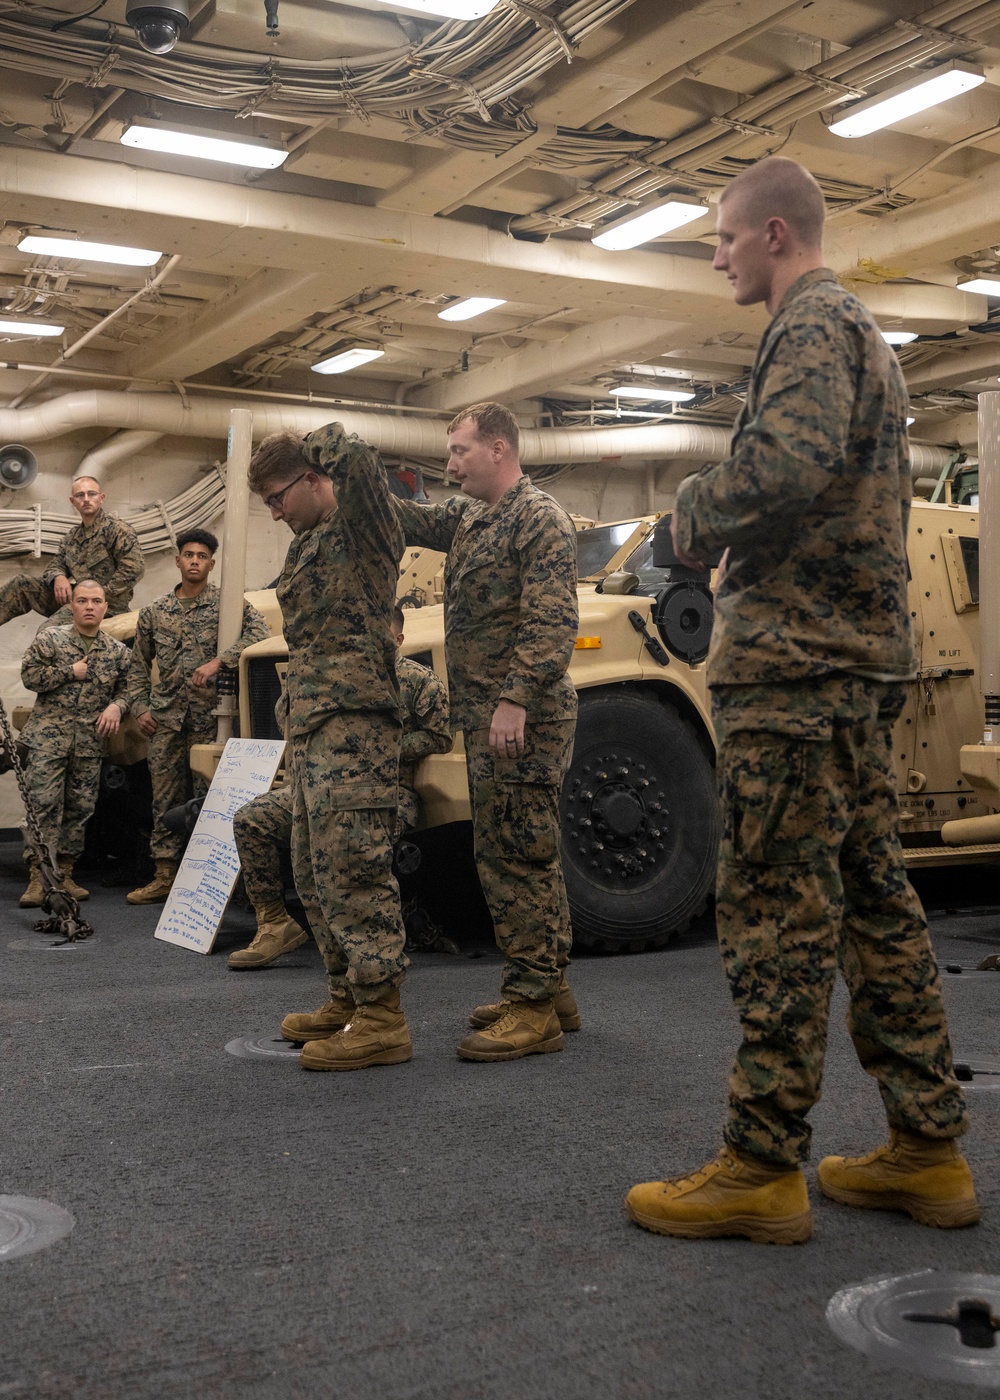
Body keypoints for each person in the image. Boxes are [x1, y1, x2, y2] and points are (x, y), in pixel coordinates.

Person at [626, 156, 977, 1245]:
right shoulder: (858, 333)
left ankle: (762, 1162)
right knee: (874, 902)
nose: (716, 253)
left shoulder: (812, 323)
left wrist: (688, 514)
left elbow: (779, 464)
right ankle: (926, 1146)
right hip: (853, 661)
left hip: (795, 668)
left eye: (723, 237)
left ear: (775, 233)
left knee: (777, 911)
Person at [393, 401, 580, 1063]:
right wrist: (350, 481)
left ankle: (533, 1009)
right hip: (486, 715)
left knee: (514, 858)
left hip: (520, 719)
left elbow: (550, 625)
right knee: (523, 851)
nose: (449, 465)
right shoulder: (473, 515)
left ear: (498, 449)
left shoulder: (540, 519)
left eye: (460, 452)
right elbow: (414, 518)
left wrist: (514, 703)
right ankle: (547, 985)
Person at [246, 423, 410, 1072]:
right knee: (316, 875)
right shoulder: (305, 547)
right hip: (314, 729)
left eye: (279, 496)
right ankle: (345, 995)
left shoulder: (362, 528)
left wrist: (311, 441)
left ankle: (382, 1018)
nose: (275, 511)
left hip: (356, 727)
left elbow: (364, 463)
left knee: (356, 871)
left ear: (315, 479)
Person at [227, 605, 451, 971]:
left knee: (348, 858)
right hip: (318, 790)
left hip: (385, 792)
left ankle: (376, 953)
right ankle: (274, 923)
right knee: (251, 820)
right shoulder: (331, 677)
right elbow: (287, 716)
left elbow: (439, 736)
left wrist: (378, 748)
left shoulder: (417, 681)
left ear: (398, 640)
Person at [125, 528, 269, 905]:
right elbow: (136, 666)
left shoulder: (227, 605)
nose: (194, 561)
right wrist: (139, 707)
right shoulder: (155, 612)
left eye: (201, 556)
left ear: (211, 563)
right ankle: (164, 875)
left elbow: (259, 633)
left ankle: (211, 879)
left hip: (211, 719)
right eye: (188, 555)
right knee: (165, 799)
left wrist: (220, 660)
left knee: (211, 800)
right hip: (166, 720)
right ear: (177, 561)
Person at [18, 579, 130, 906]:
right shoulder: (51, 640)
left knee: (80, 809)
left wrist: (117, 706)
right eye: (83, 600)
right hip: (48, 742)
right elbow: (29, 676)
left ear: (106, 606)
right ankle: (40, 878)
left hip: (88, 745)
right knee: (43, 806)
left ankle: (65, 874)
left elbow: (131, 689)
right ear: (73, 606)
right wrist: (70, 671)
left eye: (96, 601)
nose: (90, 606)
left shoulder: (117, 652)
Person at [0, 475, 144, 631]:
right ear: (73, 501)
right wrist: (58, 577)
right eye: (80, 495)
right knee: (21, 584)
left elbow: (134, 569)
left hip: (108, 606)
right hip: (76, 599)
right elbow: (55, 565)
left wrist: (96, 597)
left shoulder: (117, 530)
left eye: (92, 494)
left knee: (48, 633)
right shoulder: (72, 537)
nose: (86, 499)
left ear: (101, 498)